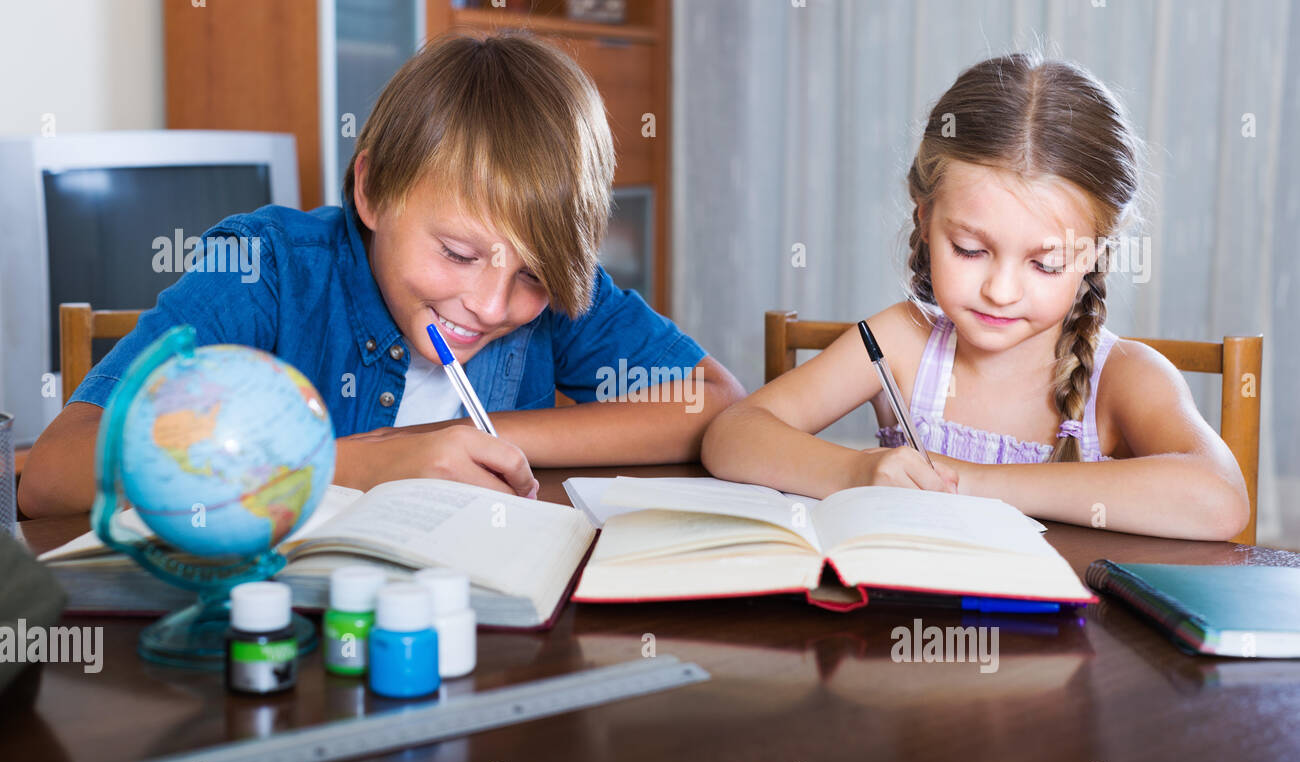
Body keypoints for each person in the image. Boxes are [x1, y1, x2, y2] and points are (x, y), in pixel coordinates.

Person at [20, 32, 744, 518]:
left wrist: (494, 434)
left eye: (532, 277)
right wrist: (354, 464)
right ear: (371, 191)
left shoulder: (547, 293)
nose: (492, 304)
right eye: (459, 254)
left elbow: (711, 401)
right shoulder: (267, 271)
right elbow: (53, 471)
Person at [702, 53, 1249, 541]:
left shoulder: (1125, 377)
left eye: (1045, 262)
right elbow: (732, 435)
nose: (1000, 290)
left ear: (1093, 254)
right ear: (925, 217)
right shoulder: (902, 341)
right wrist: (855, 472)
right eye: (969, 249)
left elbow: (1219, 500)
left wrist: (974, 484)